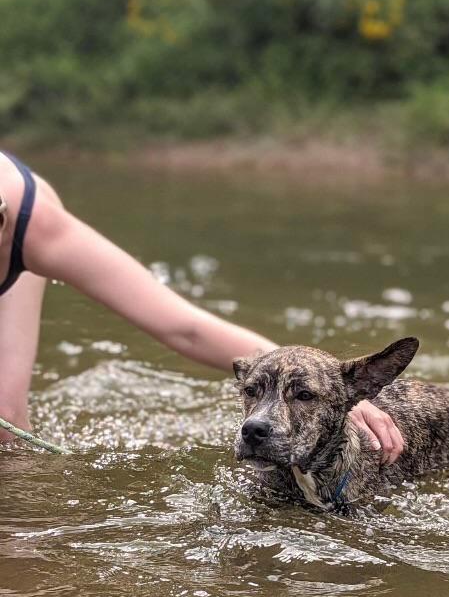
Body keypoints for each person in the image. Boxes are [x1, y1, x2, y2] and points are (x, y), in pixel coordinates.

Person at [0, 151, 404, 459]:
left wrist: (336, 390)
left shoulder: (39, 229)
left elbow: (186, 329)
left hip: (20, 229)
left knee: (6, 427)